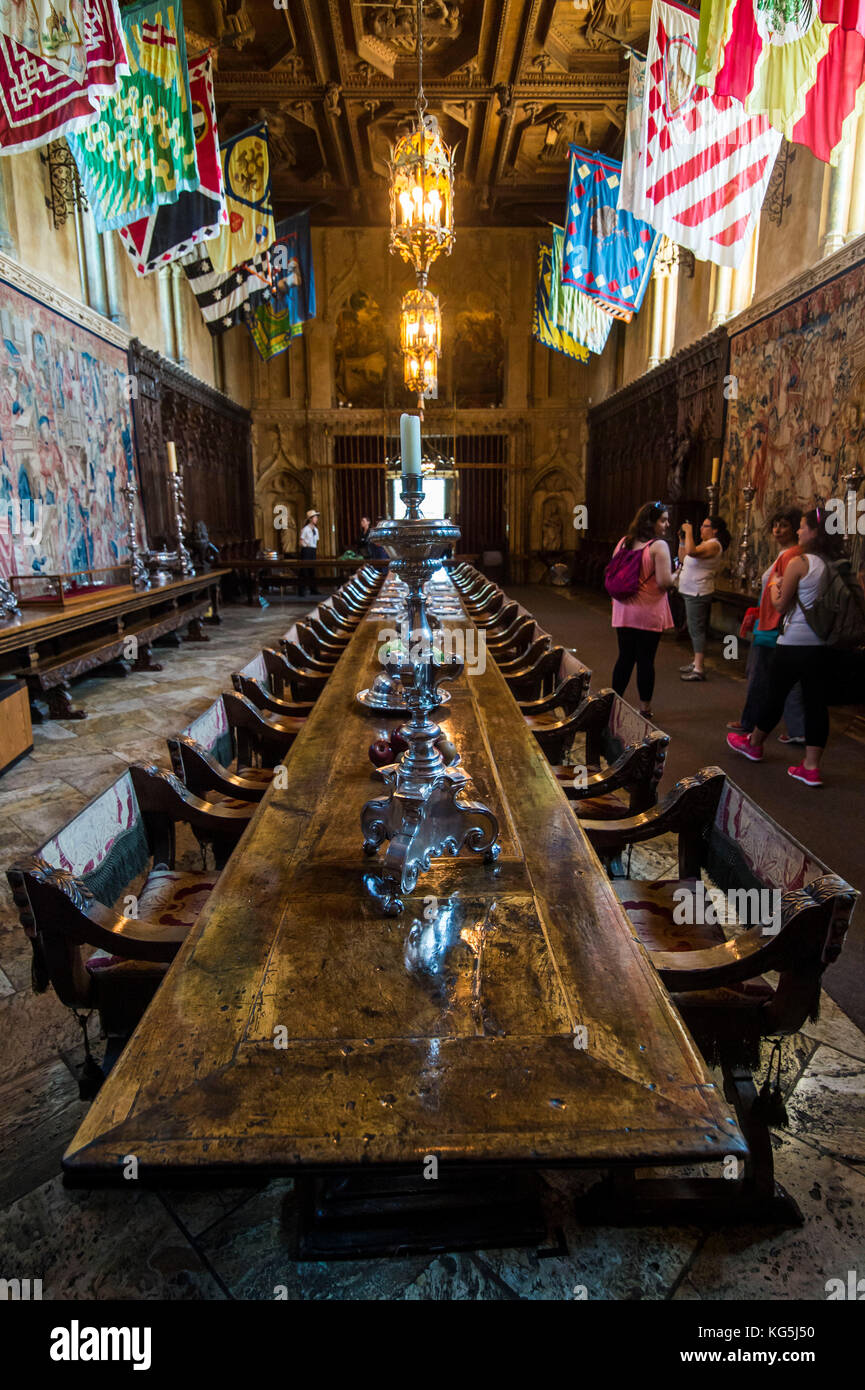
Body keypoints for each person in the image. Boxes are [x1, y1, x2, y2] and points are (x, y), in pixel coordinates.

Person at [726, 508, 846, 787]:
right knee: (816, 704)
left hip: (794, 641)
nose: (800, 531)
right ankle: (811, 767)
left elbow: (781, 603)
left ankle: (754, 744)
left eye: (803, 527)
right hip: (823, 643)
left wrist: (774, 586)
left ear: (815, 532)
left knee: (774, 694)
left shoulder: (800, 562)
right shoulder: (836, 563)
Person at [727, 506, 805, 744]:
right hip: (774, 621)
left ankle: (751, 723)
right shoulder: (788, 554)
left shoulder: (790, 555)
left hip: (774, 624)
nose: (777, 529)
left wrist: (770, 608)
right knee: (783, 679)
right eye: (775, 525)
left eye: (784, 525)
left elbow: (779, 591)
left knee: (760, 675)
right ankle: (797, 729)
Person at [609, 500, 676, 719]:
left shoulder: (623, 543)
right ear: (652, 522)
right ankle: (645, 708)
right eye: (663, 520)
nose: (666, 525)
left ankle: (613, 702)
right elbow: (665, 582)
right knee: (646, 660)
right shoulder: (658, 546)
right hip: (647, 611)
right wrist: (678, 575)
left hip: (623, 609)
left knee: (624, 657)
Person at [677, 513, 732, 680]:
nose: (701, 528)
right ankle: (696, 661)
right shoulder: (705, 544)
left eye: (704, 526)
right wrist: (681, 539)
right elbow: (683, 557)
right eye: (700, 525)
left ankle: (699, 668)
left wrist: (688, 531)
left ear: (715, 531)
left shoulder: (714, 545)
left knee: (697, 629)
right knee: (694, 628)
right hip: (691, 590)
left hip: (698, 591)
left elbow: (691, 551)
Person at [298, 508, 321, 598]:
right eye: (315, 517)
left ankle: (313, 589)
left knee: (312, 570)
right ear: (310, 519)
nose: (316, 519)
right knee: (304, 571)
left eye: (316, 517)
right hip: (306, 550)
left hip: (313, 550)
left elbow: (316, 541)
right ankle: (302, 590)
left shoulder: (316, 529)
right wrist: (306, 545)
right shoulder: (305, 529)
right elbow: (301, 541)